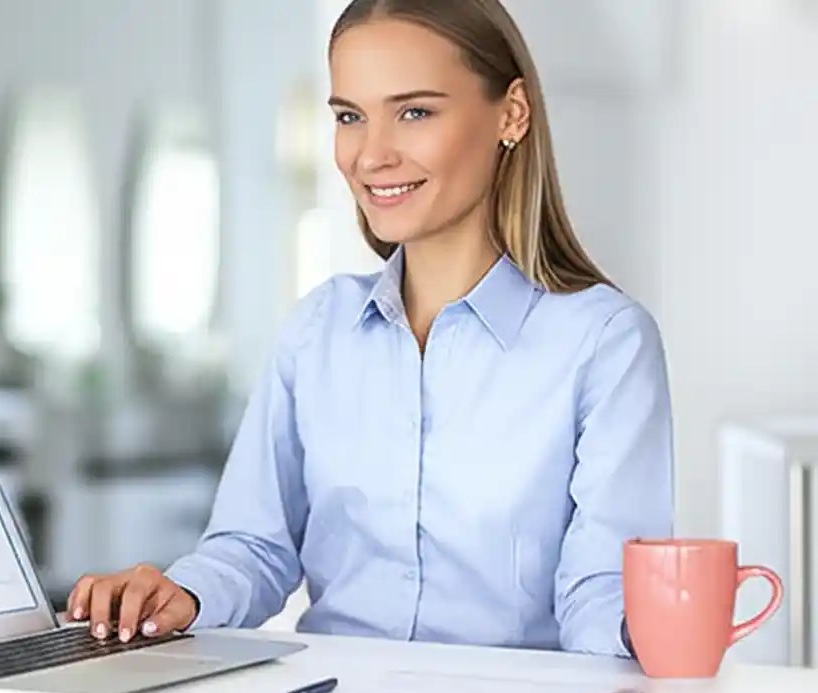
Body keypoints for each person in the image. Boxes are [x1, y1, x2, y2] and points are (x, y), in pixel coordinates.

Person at [67, 0, 672, 657]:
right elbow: (254, 547)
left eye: (414, 112)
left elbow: (599, 591)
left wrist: (652, 627)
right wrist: (179, 595)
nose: (372, 155)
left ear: (512, 114)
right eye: (350, 117)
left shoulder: (604, 343)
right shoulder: (318, 331)